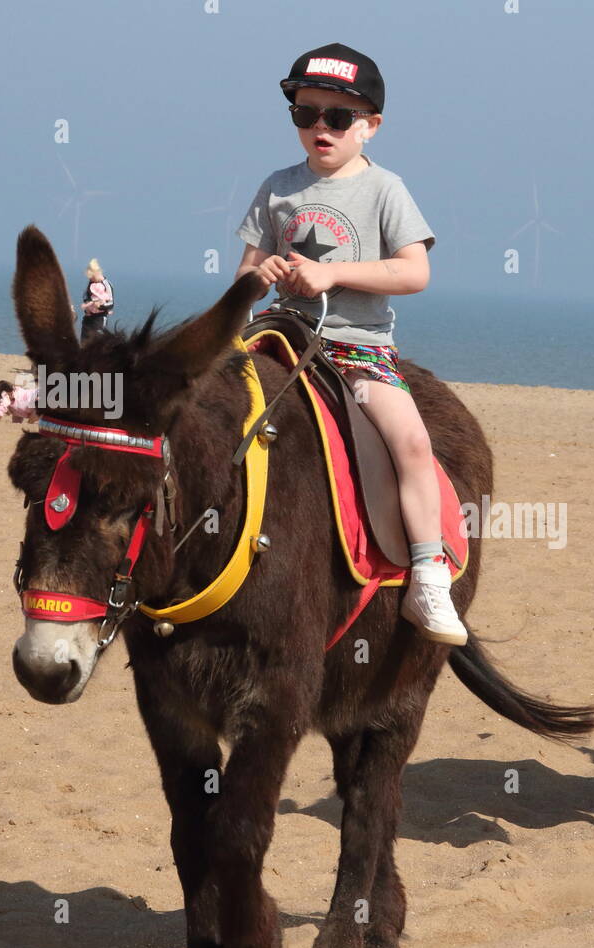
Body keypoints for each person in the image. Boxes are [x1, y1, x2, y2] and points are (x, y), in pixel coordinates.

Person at [234, 42, 466, 645]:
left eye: (337, 117)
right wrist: (260, 279)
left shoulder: (385, 190)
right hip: (280, 338)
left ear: (370, 126)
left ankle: (428, 574)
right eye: (305, 114)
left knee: (412, 442)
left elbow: (414, 272)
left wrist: (332, 273)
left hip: (355, 348)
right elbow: (244, 277)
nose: (320, 128)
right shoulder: (276, 188)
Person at [80, 259, 114, 341]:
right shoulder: (91, 283)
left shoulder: (107, 284)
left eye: (92, 277)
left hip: (100, 319)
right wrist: (88, 305)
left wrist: (100, 306)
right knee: (84, 342)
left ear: (97, 273)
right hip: (88, 318)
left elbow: (111, 304)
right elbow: (86, 297)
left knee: (97, 342)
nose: (91, 279)